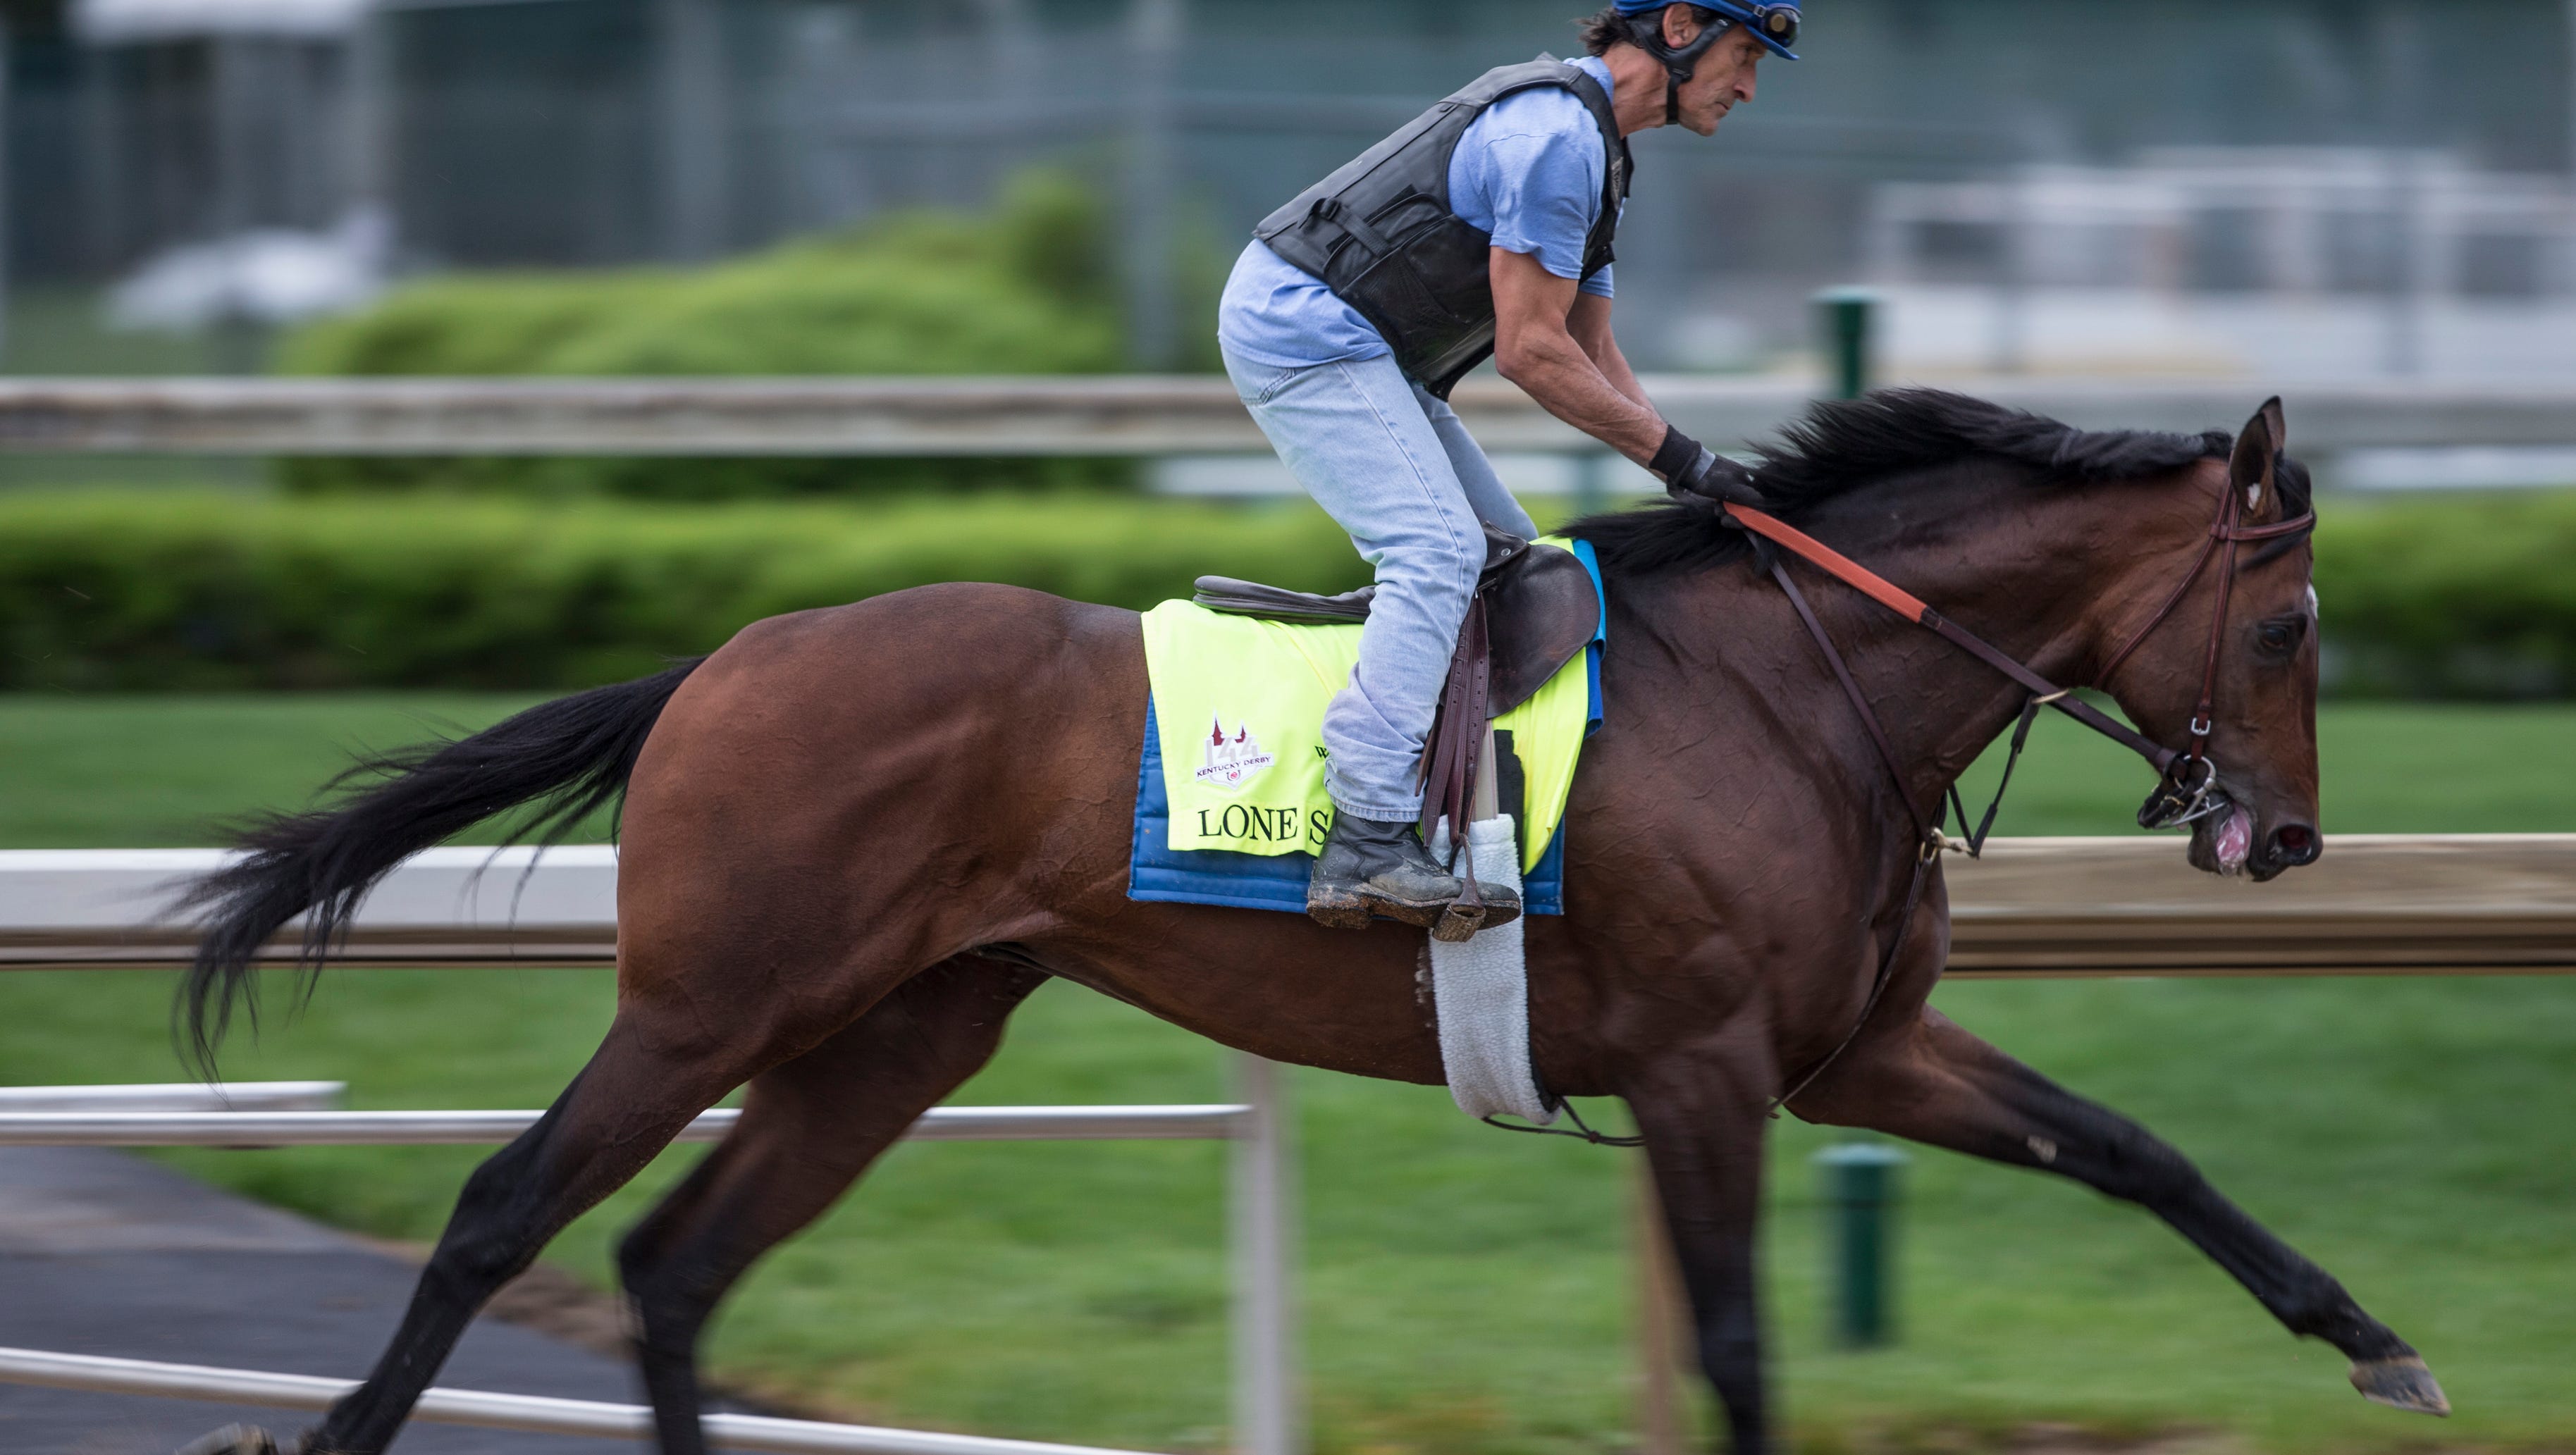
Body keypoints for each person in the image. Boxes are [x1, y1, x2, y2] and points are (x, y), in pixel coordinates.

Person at [1216, 1, 1801, 934]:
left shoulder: (1601, 153)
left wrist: (1695, 474)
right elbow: (1531, 353)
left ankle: (1462, 817)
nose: (1749, 87)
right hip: (1299, 331)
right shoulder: (1554, 143)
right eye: (1742, 57)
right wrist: (1684, 459)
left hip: (1366, 349)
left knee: (1505, 554)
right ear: (1680, 30)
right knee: (1440, 551)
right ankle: (1365, 833)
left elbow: (1592, 351)